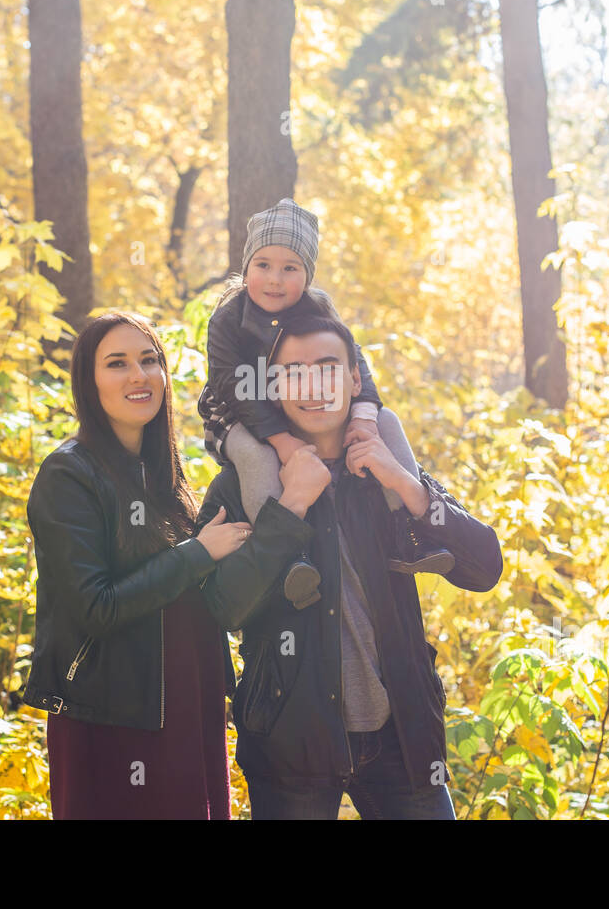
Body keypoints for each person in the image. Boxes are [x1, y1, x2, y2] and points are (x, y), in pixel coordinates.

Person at [194, 314, 505, 819]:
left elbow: (484, 567)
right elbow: (220, 608)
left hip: (403, 736)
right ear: (273, 387)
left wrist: (408, 485)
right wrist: (288, 510)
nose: (312, 385)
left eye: (328, 368)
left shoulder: (389, 473)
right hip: (290, 743)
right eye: (293, 371)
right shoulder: (241, 484)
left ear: (356, 380)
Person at [21, 310, 252, 819]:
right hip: (114, 715)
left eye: (149, 360)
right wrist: (197, 554)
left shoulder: (165, 475)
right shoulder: (69, 474)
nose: (138, 375)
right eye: (117, 363)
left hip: (188, 703)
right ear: (89, 380)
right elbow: (94, 608)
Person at [196, 198, 455, 611]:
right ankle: (290, 561)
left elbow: (358, 368)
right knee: (256, 456)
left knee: (387, 421)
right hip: (236, 413)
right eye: (263, 265)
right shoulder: (228, 318)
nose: (275, 279)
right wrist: (281, 441)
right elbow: (233, 386)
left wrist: (366, 416)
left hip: (293, 404)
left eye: (290, 268)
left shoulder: (318, 308)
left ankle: (407, 533)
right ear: (246, 269)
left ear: (307, 275)